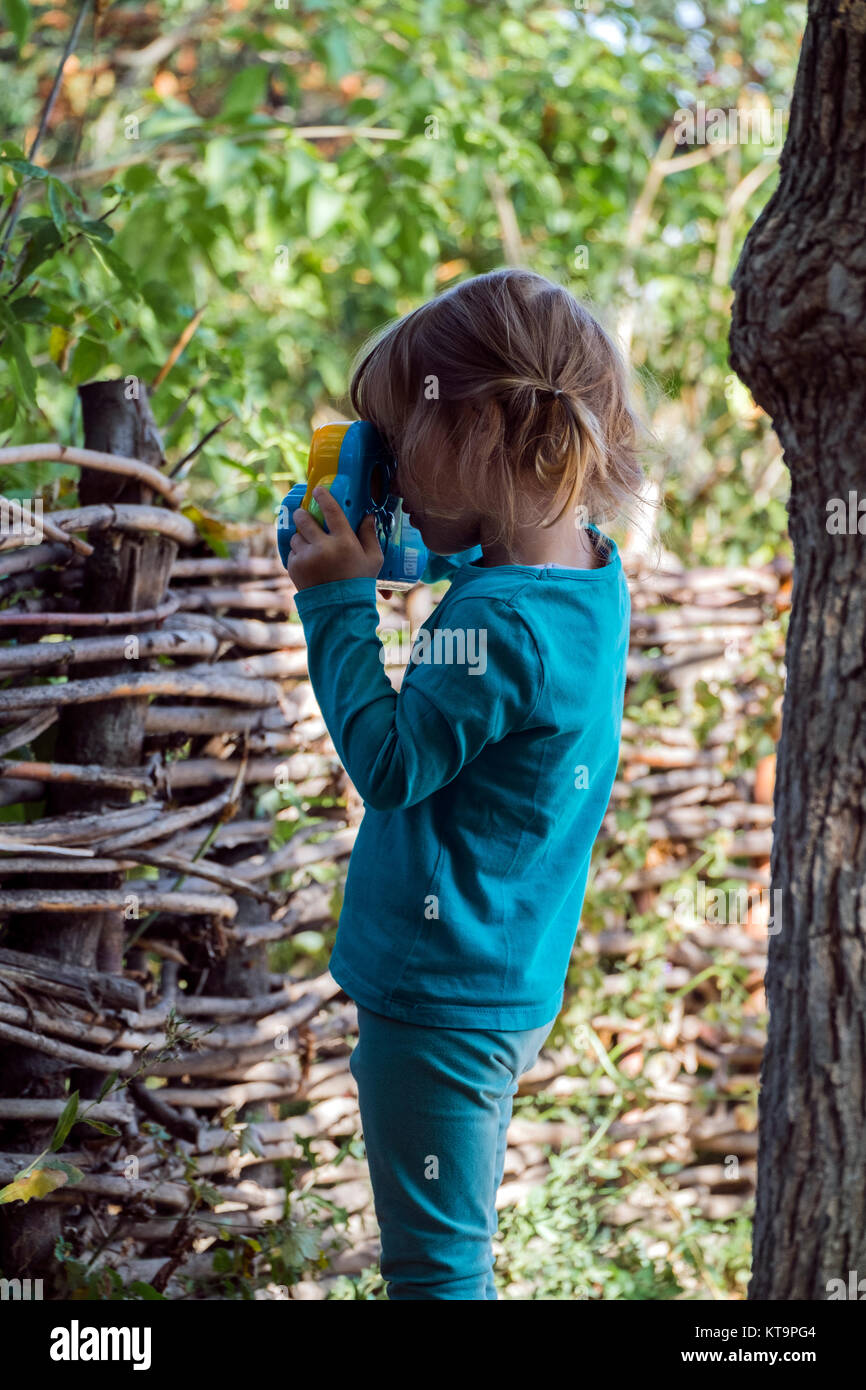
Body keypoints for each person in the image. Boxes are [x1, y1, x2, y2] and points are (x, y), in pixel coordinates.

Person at [285, 267, 645, 1300]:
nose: (384, 472)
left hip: (434, 1001)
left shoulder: (489, 623)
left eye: (398, 444)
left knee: (437, 1271)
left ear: (479, 433)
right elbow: (507, 627)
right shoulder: (583, 579)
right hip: (505, 981)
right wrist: (439, 550)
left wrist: (339, 603)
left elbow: (392, 764)